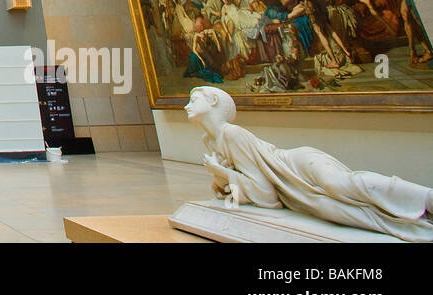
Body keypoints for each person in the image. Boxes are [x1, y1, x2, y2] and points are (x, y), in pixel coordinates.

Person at [185, 85, 433, 240]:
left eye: (194, 100)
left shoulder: (232, 133)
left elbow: (265, 194)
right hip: (290, 191)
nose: (187, 105)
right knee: (337, 211)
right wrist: (221, 177)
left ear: (214, 102)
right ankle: (412, 222)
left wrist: (219, 171)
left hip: (297, 166)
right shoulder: (209, 140)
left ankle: (427, 198)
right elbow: (235, 193)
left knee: (344, 185)